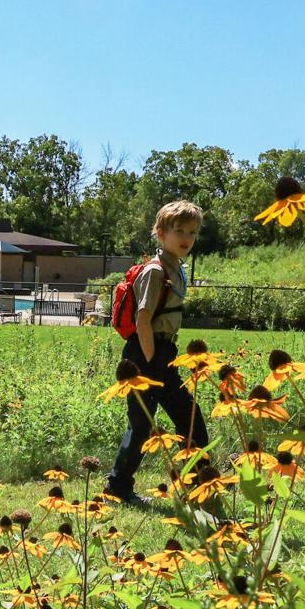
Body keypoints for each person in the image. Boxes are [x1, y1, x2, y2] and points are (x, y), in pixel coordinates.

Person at [104, 200, 210, 506]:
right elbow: (142, 318)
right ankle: (117, 487)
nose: (186, 238)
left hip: (165, 351)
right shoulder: (155, 271)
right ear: (161, 233)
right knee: (142, 424)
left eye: (192, 232)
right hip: (146, 352)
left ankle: (201, 481)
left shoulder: (176, 267)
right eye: (179, 231)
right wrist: (151, 363)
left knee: (188, 414)